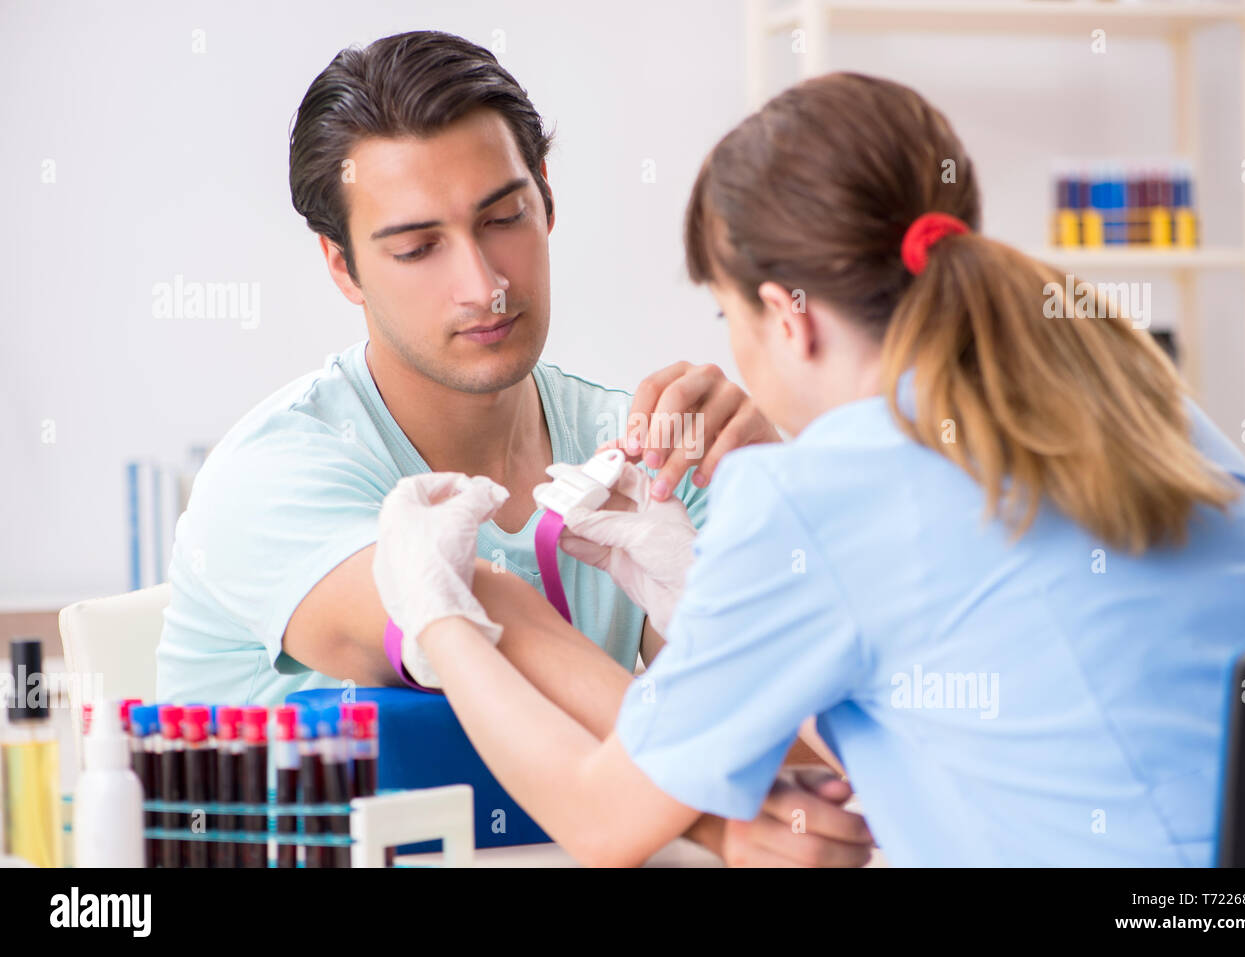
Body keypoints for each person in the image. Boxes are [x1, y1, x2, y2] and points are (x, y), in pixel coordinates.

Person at [371, 71, 1245, 866]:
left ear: (790, 313)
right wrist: (697, 593)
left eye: (726, 316)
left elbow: (602, 817)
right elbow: (958, 700)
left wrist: (440, 611)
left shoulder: (821, 490)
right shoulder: (1145, 404)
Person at [156, 31, 869, 866]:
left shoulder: (645, 454)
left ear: (548, 203)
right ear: (342, 267)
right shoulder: (272, 472)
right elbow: (467, 606)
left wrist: (772, 507)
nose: (484, 282)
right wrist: (717, 813)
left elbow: (814, 780)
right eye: (418, 247)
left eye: (503, 218)